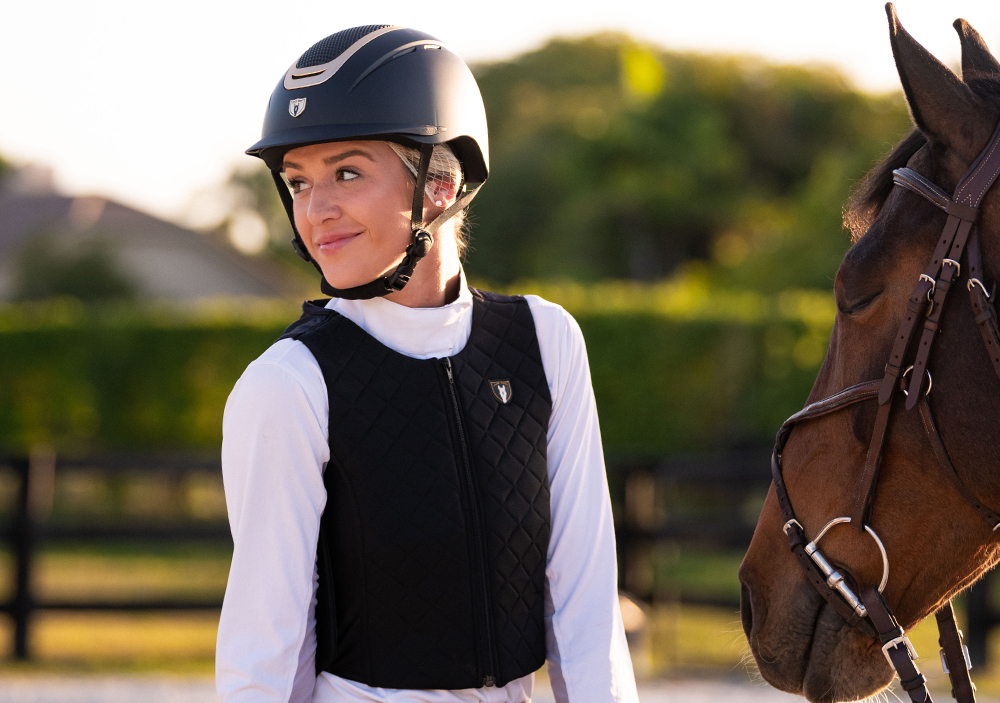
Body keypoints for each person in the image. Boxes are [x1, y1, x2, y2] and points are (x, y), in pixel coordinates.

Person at [215, 25, 639, 703]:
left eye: (346, 173)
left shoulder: (545, 341)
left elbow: (585, 604)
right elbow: (265, 650)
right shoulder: (288, 383)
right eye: (297, 182)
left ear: (441, 181)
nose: (314, 212)